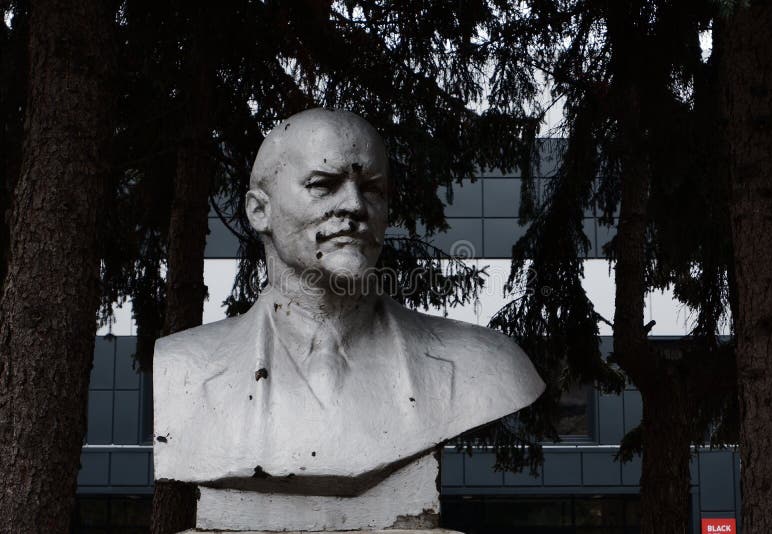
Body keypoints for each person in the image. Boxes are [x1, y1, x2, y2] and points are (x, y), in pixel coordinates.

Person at [153, 108, 544, 492]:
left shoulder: (485, 364)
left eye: (373, 189)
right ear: (260, 210)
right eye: (323, 184)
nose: (356, 206)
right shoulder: (180, 371)